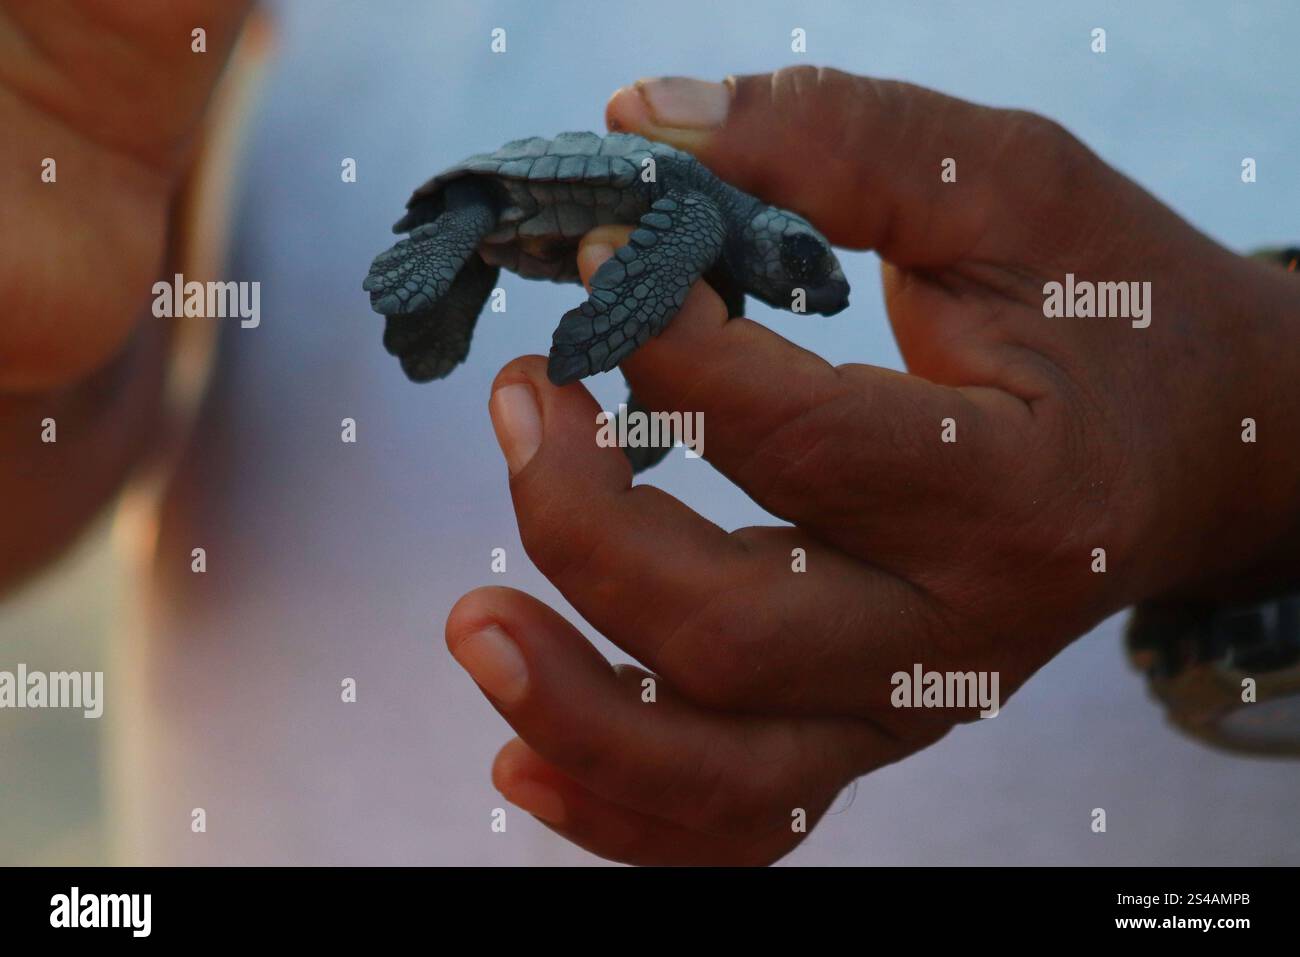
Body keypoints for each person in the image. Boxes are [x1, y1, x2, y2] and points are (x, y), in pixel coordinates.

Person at [3, 7, 1296, 865]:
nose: (817, 293)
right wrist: (39, 278)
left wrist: (1256, 437)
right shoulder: (695, 229)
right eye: (804, 276)